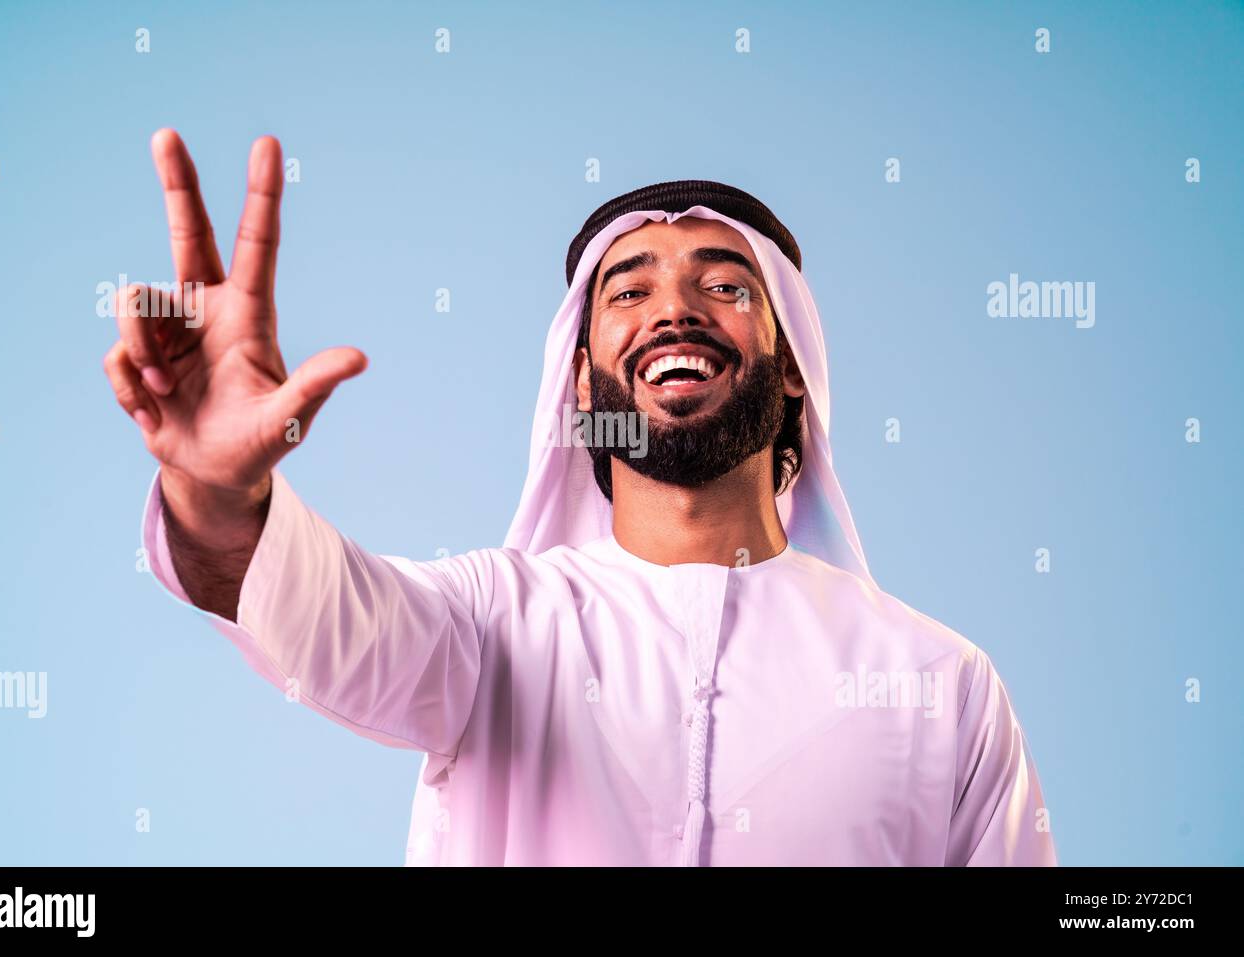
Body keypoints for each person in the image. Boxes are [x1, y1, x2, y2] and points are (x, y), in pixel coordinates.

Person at [104, 129, 1059, 867]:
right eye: (627, 293)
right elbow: (315, 617)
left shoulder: (943, 686)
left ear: (794, 367)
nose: (674, 310)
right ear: (580, 385)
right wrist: (216, 488)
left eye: (726, 285)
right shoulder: (490, 630)